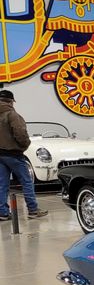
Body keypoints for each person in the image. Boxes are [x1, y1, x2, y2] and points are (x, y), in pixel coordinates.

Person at [0, 90, 48, 220]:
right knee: (27, 181)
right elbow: (20, 134)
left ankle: (3, 213)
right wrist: (24, 145)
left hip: (0, 155)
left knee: (2, 184)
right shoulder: (12, 115)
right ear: (10, 101)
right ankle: (33, 210)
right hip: (14, 154)